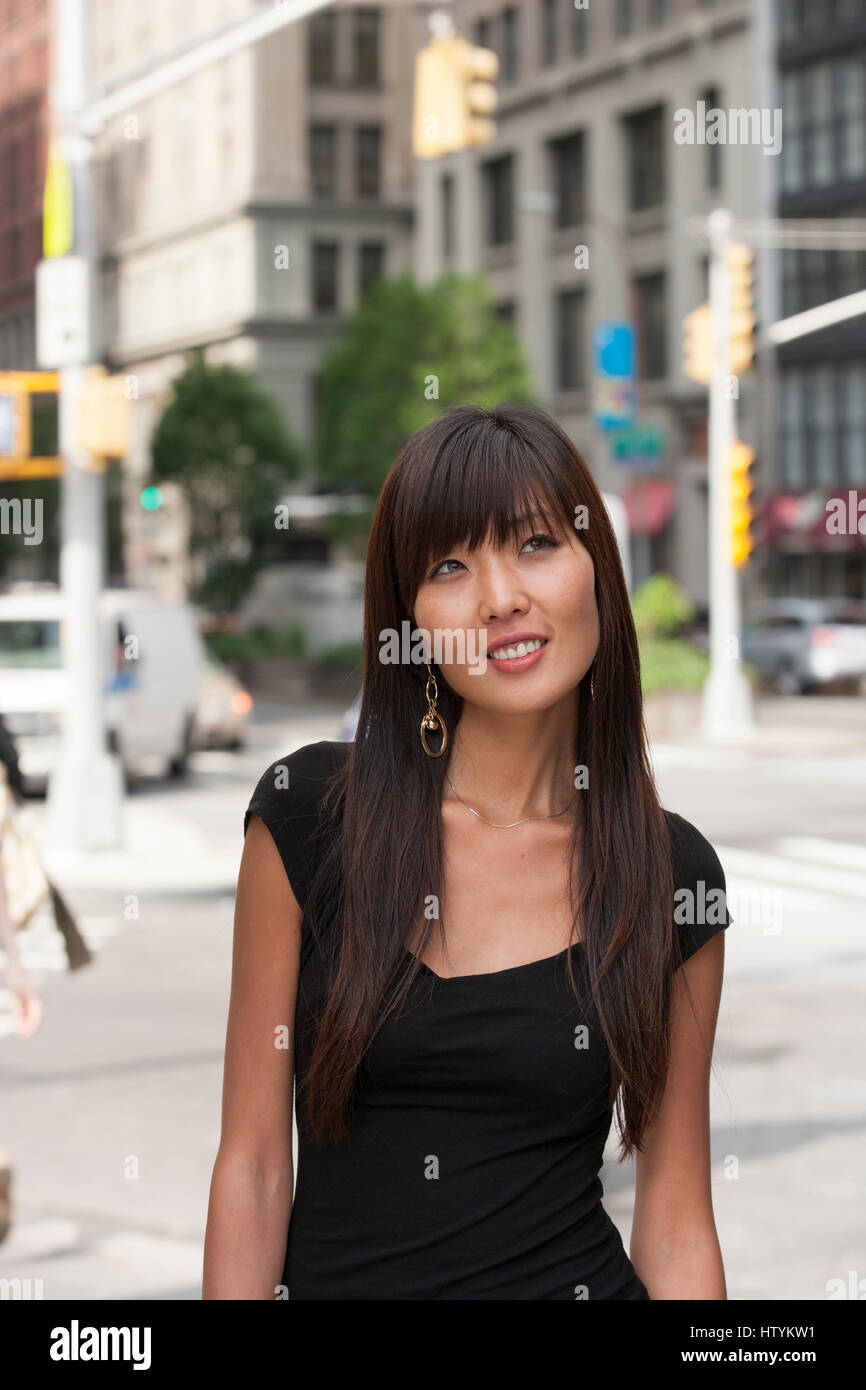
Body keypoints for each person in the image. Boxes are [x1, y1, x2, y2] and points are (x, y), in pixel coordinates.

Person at [203, 402, 733, 1301]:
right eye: (451, 564)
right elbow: (252, 1168)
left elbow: (676, 1216)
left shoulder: (673, 877)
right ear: (409, 617)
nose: (499, 598)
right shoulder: (307, 820)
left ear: (595, 569)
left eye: (534, 544)